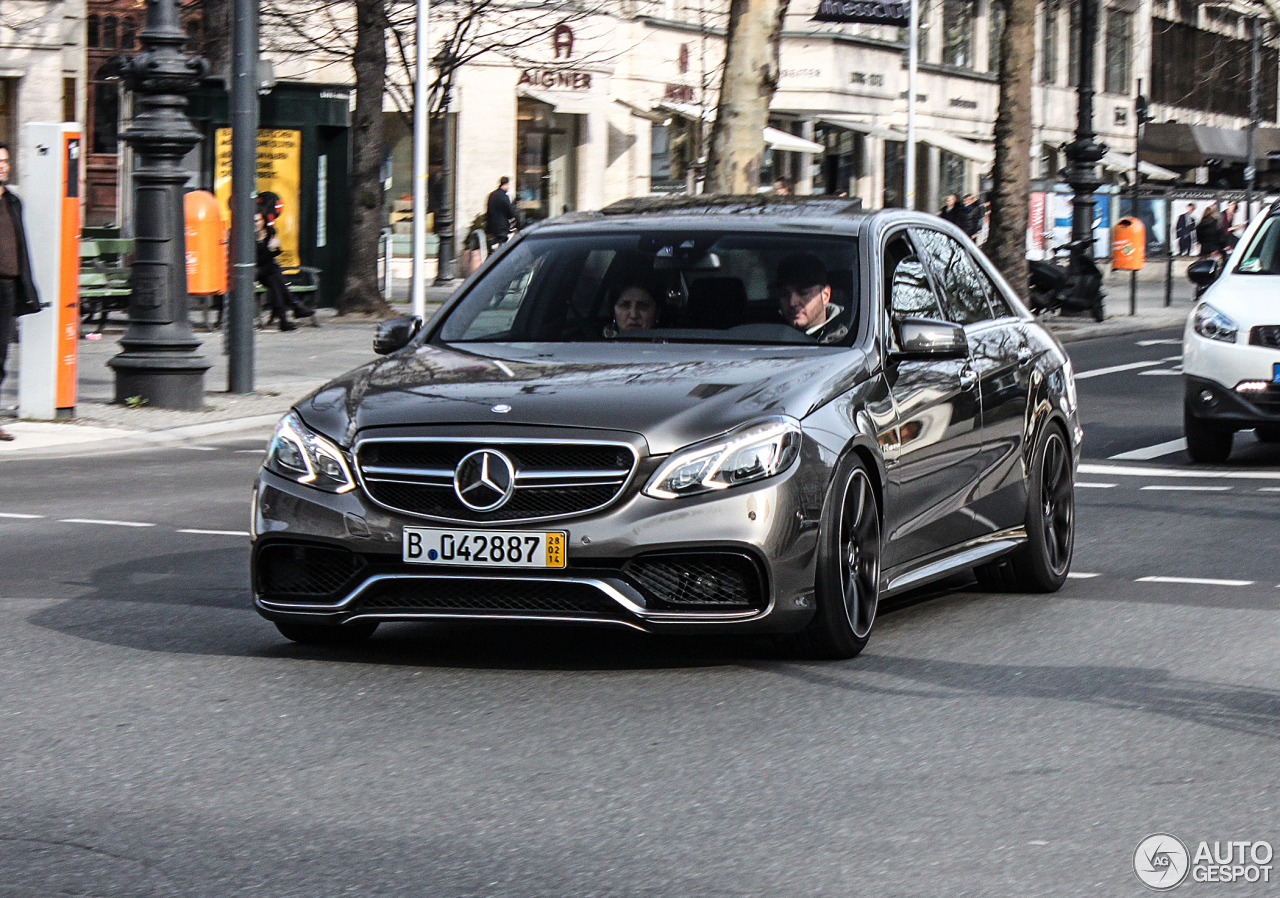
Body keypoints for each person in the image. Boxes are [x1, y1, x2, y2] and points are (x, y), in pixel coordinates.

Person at [0, 143, 42, 441]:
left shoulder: (13, 201)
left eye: (5, 161)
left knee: (0, 355)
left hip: (7, 287)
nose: (3, 166)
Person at [255, 212, 313, 331]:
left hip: (269, 271)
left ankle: (284, 319)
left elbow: (275, 254)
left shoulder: (270, 232)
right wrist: (270, 249)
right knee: (276, 276)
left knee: (276, 283)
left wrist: (275, 248)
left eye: (258, 220)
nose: (256, 223)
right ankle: (294, 307)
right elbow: (257, 260)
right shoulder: (248, 238)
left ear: (263, 220)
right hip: (258, 271)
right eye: (253, 221)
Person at [774, 252, 848, 344]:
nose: (792, 302)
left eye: (803, 293)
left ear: (825, 295)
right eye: (784, 294)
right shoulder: (766, 333)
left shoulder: (846, 340)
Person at [485, 176, 518, 247]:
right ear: (506, 184)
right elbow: (510, 212)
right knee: (503, 246)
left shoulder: (492, 195)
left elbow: (488, 213)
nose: (509, 187)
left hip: (493, 227)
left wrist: (488, 229)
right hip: (502, 227)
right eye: (509, 185)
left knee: (494, 246)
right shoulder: (504, 197)